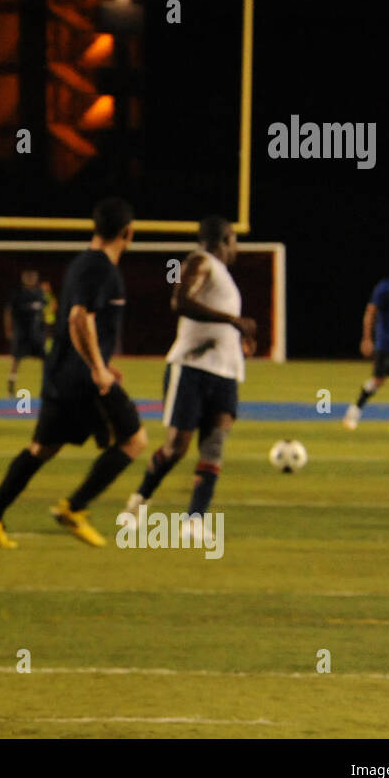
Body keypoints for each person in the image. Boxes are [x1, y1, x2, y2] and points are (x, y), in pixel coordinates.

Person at [0, 198, 147, 549]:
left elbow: (80, 323)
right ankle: (75, 508)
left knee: (42, 449)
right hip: (83, 381)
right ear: (128, 233)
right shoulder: (101, 268)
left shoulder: (82, 263)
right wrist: (98, 368)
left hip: (61, 374)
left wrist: (101, 361)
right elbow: (78, 318)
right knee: (133, 441)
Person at [120, 216, 255, 538]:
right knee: (175, 448)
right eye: (233, 239)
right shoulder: (200, 261)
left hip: (225, 371)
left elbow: (220, 325)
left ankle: (194, 520)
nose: (236, 246)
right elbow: (179, 300)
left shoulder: (223, 275)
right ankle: (138, 501)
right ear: (224, 238)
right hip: (191, 368)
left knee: (214, 445)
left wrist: (238, 340)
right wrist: (233, 321)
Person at [342, 253, 389, 434]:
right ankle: (353, 414)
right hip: (387, 344)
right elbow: (370, 312)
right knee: (378, 380)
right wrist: (367, 338)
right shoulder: (386, 287)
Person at [5, 269, 46, 397]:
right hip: (21, 332)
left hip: (36, 333)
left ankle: (47, 386)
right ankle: (11, 385)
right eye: (28, 278)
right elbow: (8, 312)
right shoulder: (18, 295)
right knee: (16, 360)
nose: (30, 280)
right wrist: (9, 329)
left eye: (32, 278)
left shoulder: (40, 294)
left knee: (46, 360)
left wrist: (45, 329)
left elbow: (45, 312)